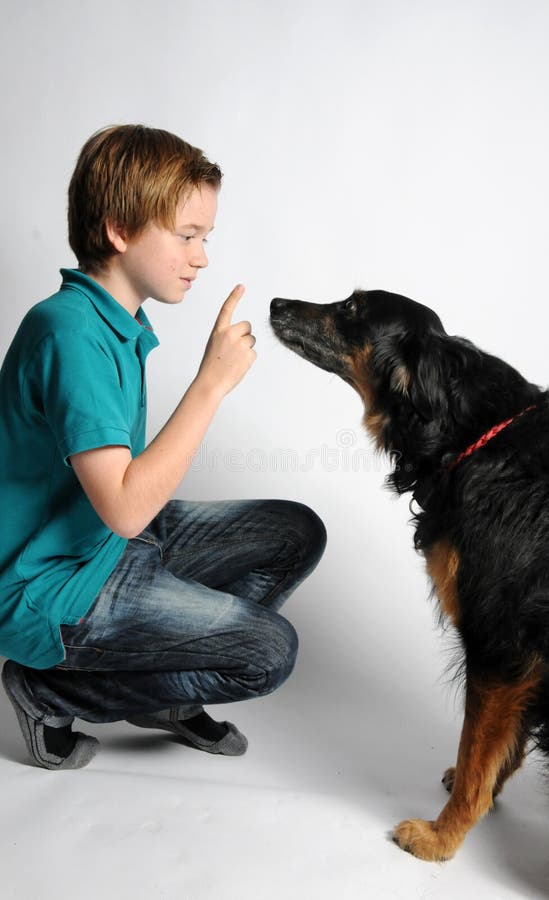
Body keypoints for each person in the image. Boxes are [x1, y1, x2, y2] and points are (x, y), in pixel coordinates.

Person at [0, 124, 326, 770]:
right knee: (268, 654)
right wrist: (209, 385)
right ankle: (49, 688)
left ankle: (161, 687)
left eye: (204, 238)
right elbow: (124, 506)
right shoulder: (68, 334)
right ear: (120, 231)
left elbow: (124, 509)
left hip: (110, 542)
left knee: (296, 531)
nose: (201, 257)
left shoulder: (113, 320)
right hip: (58, 591)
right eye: (186, 236)